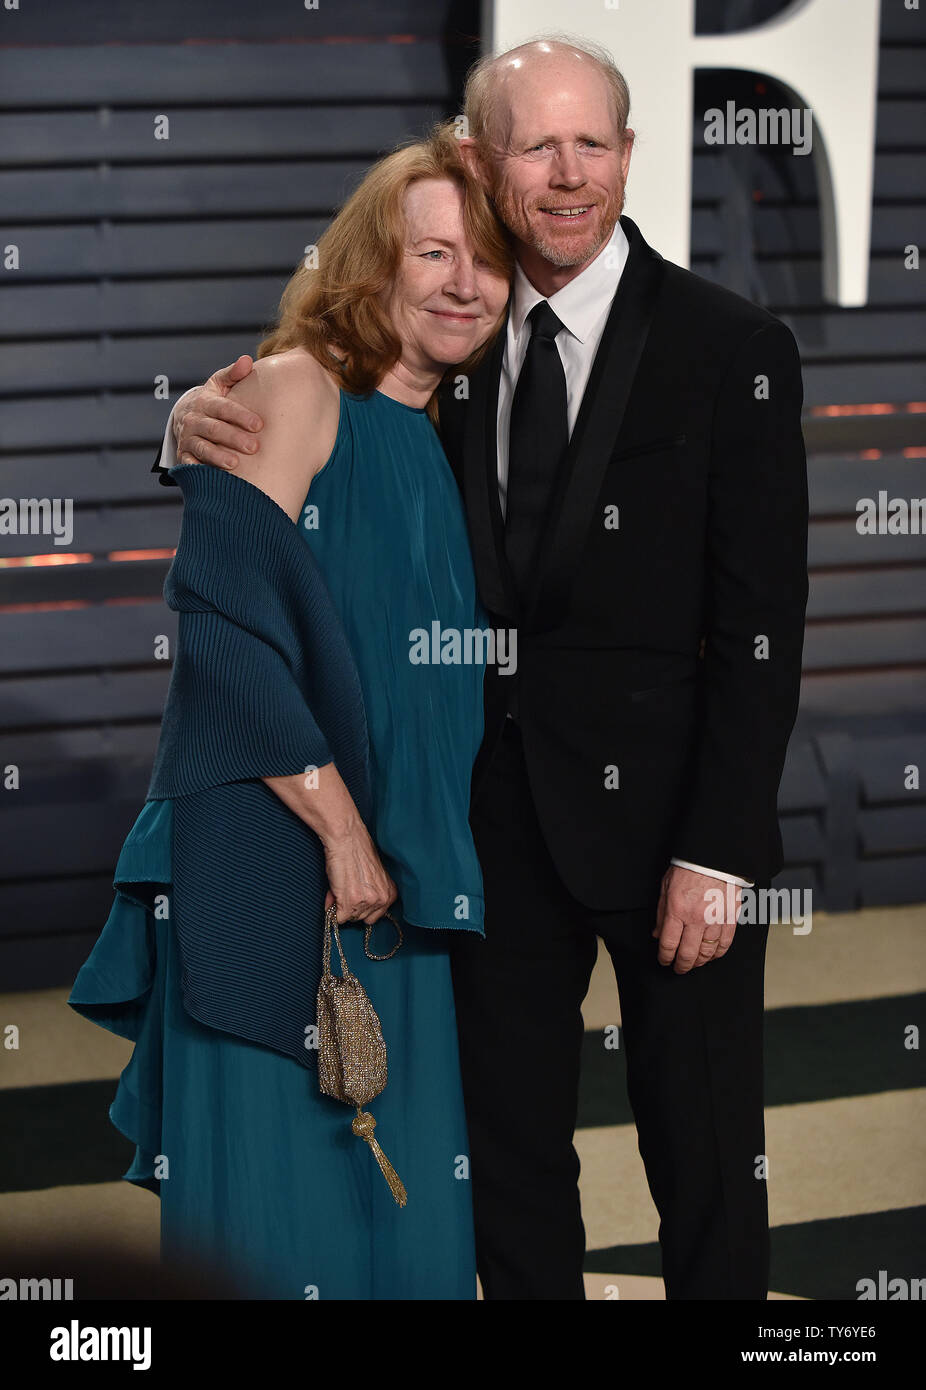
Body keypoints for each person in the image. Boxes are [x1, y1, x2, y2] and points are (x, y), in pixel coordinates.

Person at [158, 35, 809, 1301]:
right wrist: (179, 424)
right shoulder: (446, 346)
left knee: (709, 1157)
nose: (566, 176)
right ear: (480, 155)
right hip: (482, 835)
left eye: (592, 144)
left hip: (676, 836)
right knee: (506, 1169)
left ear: (628, 154)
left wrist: (718, 852)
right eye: (535, 145)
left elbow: (759, 626)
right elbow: (297, 413)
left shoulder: (728, 344)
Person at [68, 125, 511, 1301]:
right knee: (277, 1217)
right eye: (432, 254)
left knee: (389, 1202)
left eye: (487, 259)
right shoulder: (295, 388)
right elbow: (224, 643)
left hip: (392, 875)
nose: (464, 283)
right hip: (278, 863)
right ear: (371, 264)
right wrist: (339, 831)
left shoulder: (433, 428)